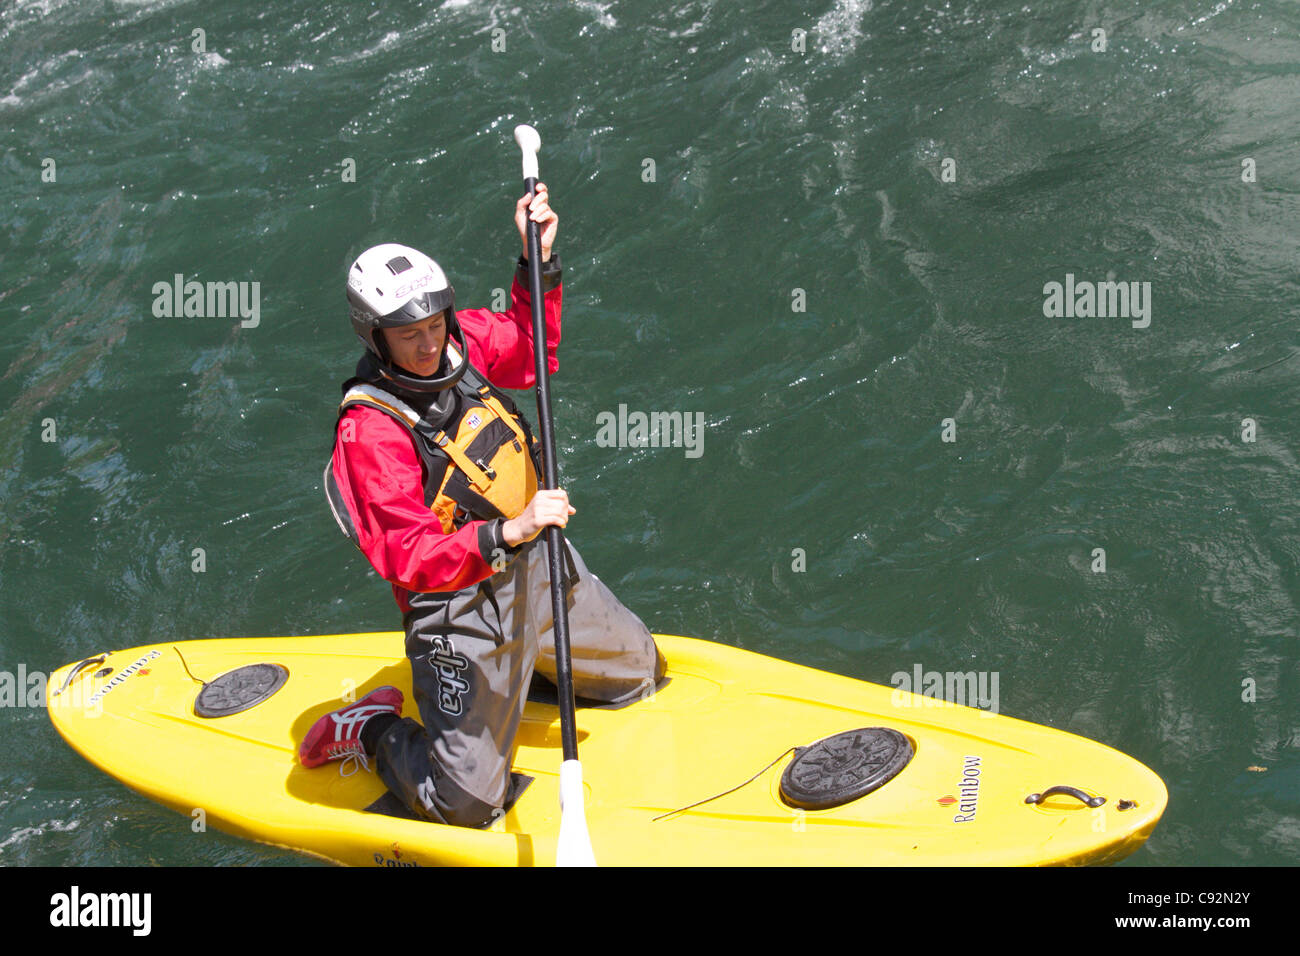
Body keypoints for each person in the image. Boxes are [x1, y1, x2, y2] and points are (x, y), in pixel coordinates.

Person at [302, 184, 665, 828]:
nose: (428, 347)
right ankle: (374, 729)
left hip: (540, 564)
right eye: (408, 336)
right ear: (376, 338)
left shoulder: (459, 341)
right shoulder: (371, 430)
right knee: (467, 804)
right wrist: (507, 532)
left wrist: (537, 263)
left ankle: (523, 674)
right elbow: (406, 557)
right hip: (460, 612)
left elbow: (530, 353)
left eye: (434, 327)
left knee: (639, 674)